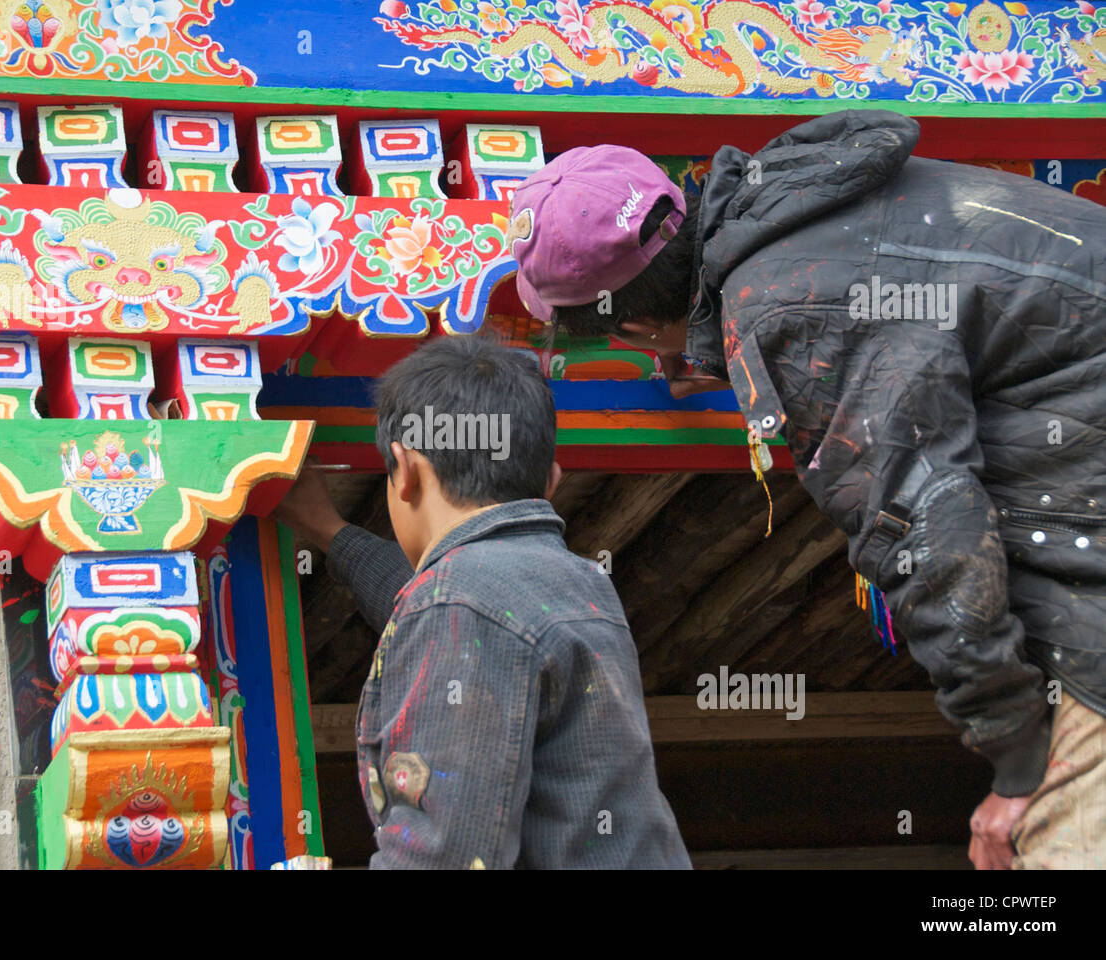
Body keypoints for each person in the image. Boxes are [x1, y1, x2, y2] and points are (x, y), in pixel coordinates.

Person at [502, 109, 1106, 870]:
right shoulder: (796, 204)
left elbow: (926, 520)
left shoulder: (794, 305)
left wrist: (1018, 765)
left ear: (624, 332)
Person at [275, 336, 691, 869]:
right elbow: (471, 609)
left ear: (404, 469)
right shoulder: (581, 581)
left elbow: (445, 856)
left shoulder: (456, 605)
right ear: (552, 478)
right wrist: (331, 531)